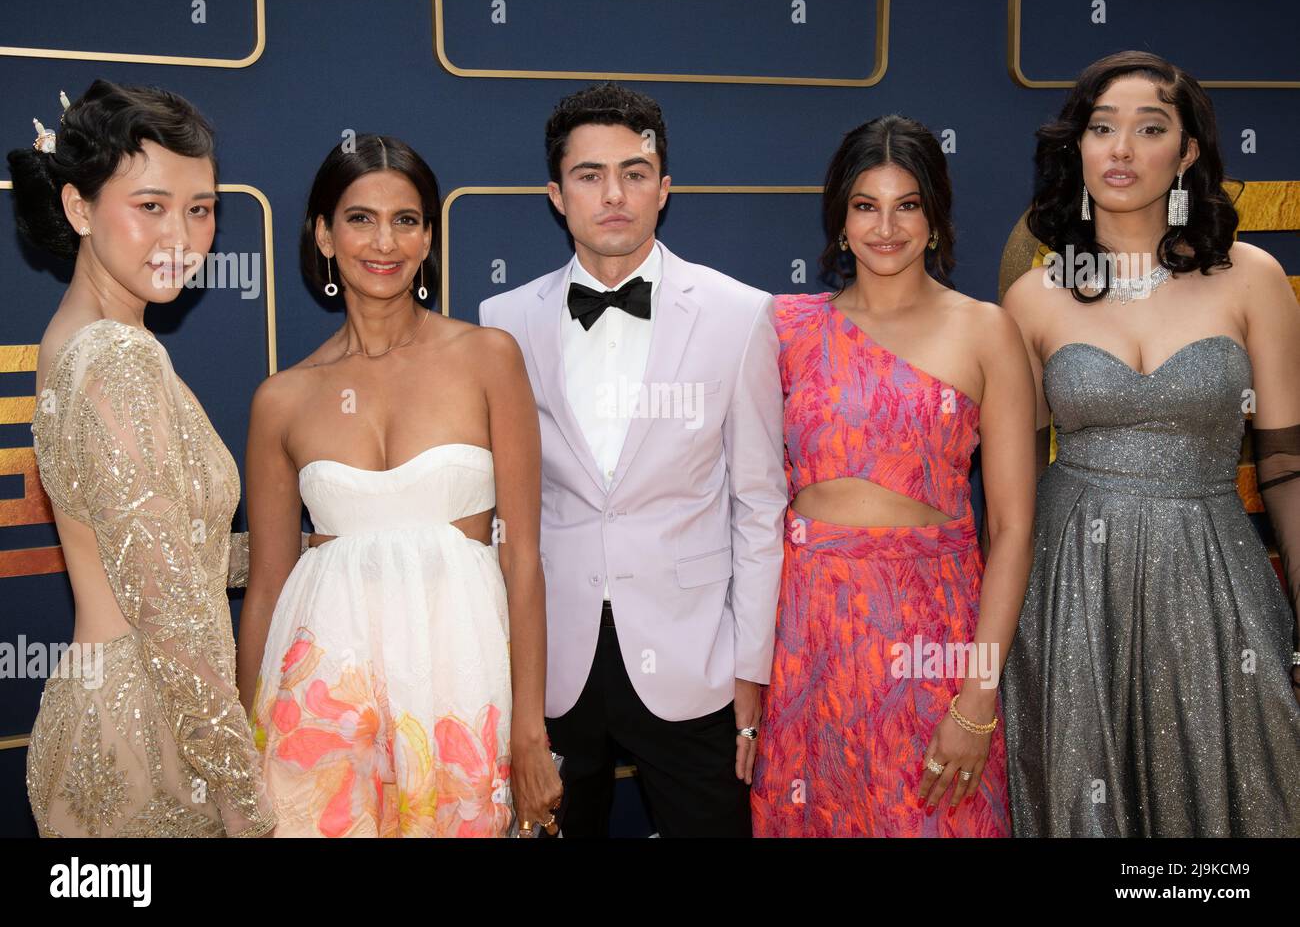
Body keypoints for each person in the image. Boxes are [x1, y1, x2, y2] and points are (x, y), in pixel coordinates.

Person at [1001, 50, 1300, 836]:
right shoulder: (1033, 296)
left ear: (1188, 152)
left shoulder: (1253, 277)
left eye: (1149, 128)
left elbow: (1285, 468)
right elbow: (1014, 491)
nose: (1121, 150)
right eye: (1102, 128)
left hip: (1215, 577)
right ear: (1079, 147)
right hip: (1070, 583)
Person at [479, 82, 786, 837]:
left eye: (635, 172)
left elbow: (758, 504)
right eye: (589, 175)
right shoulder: (501, 322)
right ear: (556, 194)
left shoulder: (737, 314)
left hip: (695, 662)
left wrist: (752, 666)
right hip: (552, 661)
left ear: (665, 187)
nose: (613, 194)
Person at [236, 135, 560, 837]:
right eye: (359, 218)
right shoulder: (282, 400)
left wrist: (530, 727)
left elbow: (524, 558)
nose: (384, 241)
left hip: (458, 694)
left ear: (428, 237)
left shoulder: (486, 358)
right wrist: (239, 743)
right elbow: (266, 586)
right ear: (323, 234)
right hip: (321, 706)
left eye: (405, 220)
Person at [749, 116, 1035, 837]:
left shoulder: (985, 330)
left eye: (907, 204)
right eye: (865, 205)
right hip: (810, 638)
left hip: (934, 638)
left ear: (935, 218)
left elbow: (1013, 530)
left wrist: (978, 695)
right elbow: (746, 505)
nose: (886, 226)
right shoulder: (785, 328)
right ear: (840, 220)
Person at [11, 79, 275, 837]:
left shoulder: (76, 338)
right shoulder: (117, 357)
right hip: (154, 738)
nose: (184, 239)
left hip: (113, 711)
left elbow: (148, 550)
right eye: (152, 206)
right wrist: (240, 793)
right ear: (77, 207)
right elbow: (169, 610)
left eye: (200, 209)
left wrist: (289, 556)